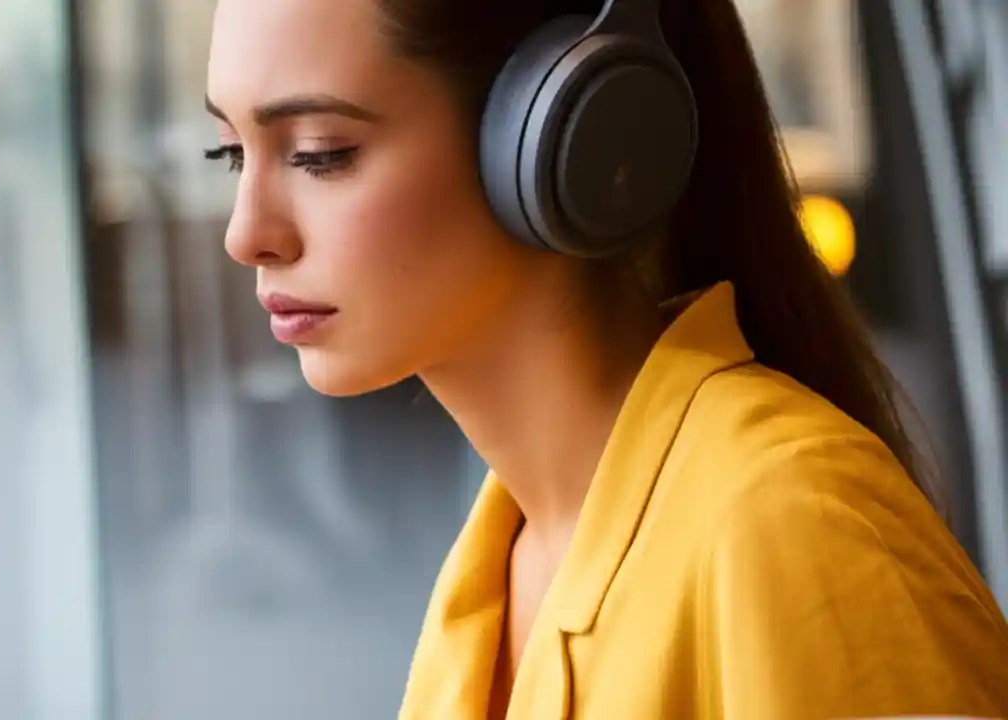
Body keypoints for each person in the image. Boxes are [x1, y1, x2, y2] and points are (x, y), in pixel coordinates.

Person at [202, 0, 1008, 717]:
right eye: (232, 154)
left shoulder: (787, 524)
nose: (246, 235)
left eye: (318, 153)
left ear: (554, 127)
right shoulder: (492, 583)